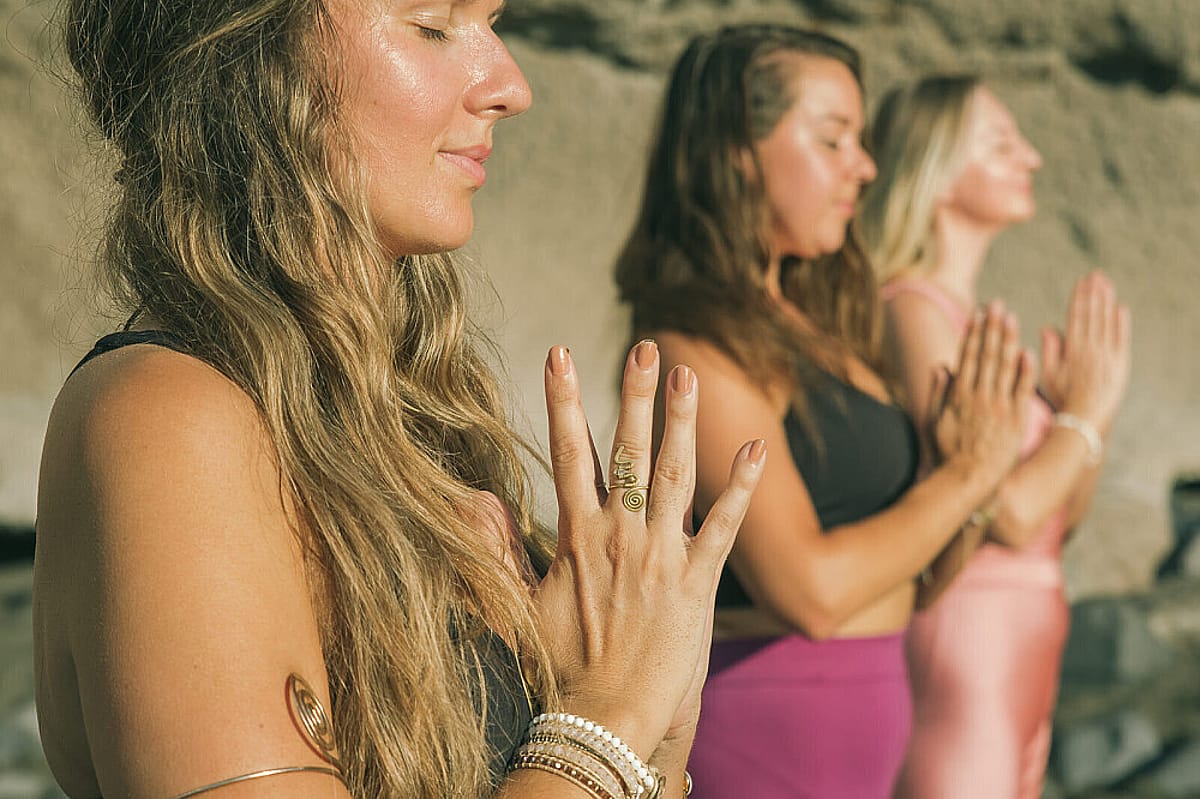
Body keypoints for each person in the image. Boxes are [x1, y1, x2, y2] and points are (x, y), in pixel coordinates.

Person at [32, 2, 766, 798]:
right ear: (253, 59)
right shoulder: (169, 419)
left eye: (493, 23)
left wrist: (658, 698)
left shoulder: (410, 412)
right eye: (433, 25)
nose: (511, 86)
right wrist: (606, 718)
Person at [615, 25, 1036, 798]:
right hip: (764, 732)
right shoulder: (693, 346)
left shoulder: (829, 330)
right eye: (835, 140)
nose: (866, 167)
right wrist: (966, 477)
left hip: (869, 725)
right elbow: (809, 590)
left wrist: (975, 475)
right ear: (738, 151)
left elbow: (918, 581)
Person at [860, 75, 1131, 798]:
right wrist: (1087, 415)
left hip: (1025, 644)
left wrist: (1082, 420)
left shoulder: (968, 319)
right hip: (969, 637)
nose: (1033, 157)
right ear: (937, 169)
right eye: (1002, 142)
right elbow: (1004, 511)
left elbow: (1056, 521)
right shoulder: (913, 310)